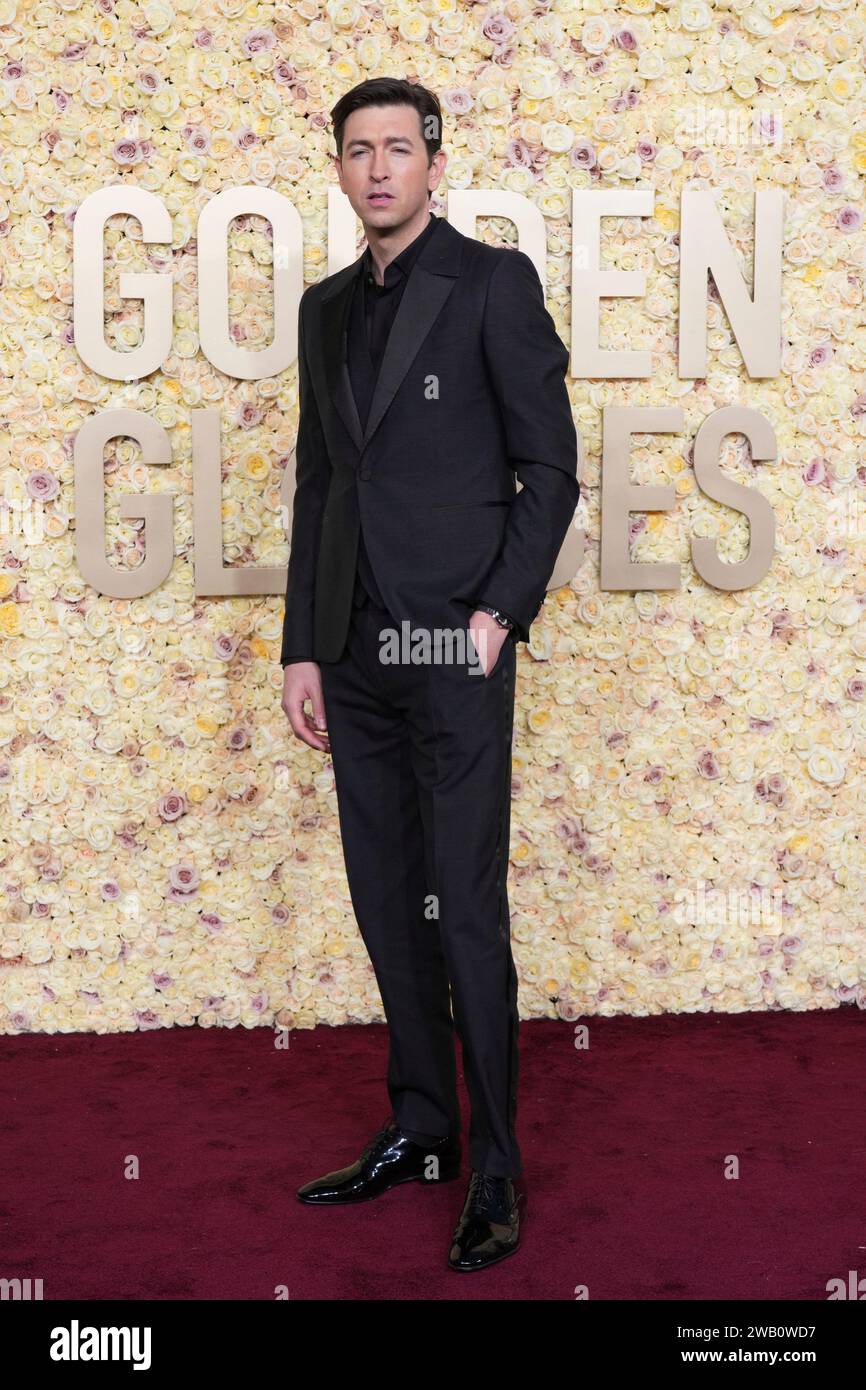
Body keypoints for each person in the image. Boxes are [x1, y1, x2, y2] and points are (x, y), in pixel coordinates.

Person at [281, 77, 579, 1272]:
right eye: (357, 151)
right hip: (353, 653)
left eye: (397, 148)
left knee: (463, 908)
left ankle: (496, 1169)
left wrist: (497, 614)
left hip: (453, 649)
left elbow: (548, 471)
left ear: (433, 163)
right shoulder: (320, 308)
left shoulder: (492, 283)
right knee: (382, 897)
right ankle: (421, 1128)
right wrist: (303, 641)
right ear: (342, 170)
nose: (377, 168)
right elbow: (318, 483)